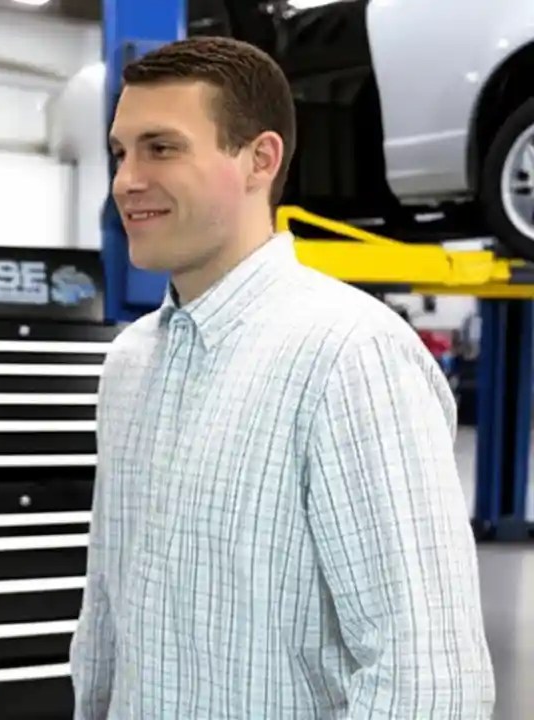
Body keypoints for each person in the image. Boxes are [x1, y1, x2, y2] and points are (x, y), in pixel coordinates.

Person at [70, 36, 494, 719]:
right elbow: (108, 614)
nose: (126, 180)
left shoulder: (350, 357)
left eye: (162, 147)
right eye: (121, 152)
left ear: (259, 160)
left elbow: (427, 677)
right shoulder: (131, 361)